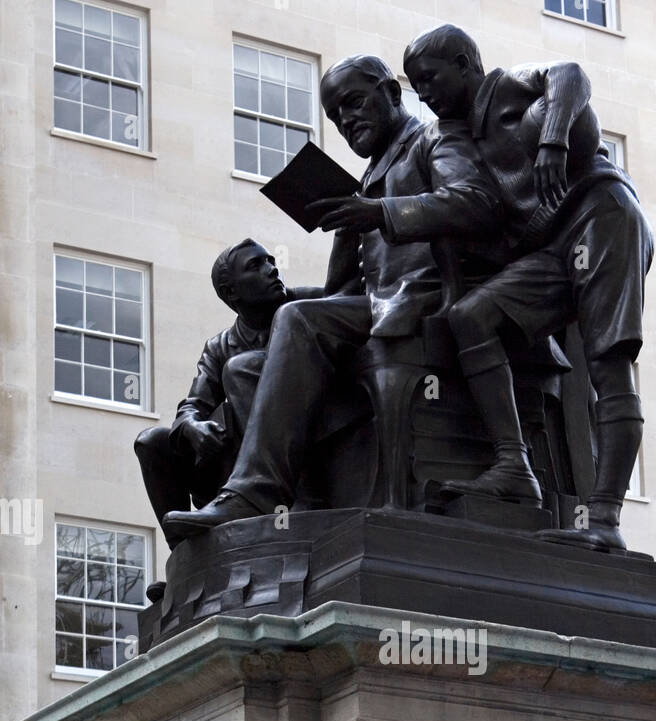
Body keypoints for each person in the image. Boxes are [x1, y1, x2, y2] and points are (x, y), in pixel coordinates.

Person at [163, 56, 503, 541]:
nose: (347, 120)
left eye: (354, 103)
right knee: (245, 368)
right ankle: (305, 503)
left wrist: (379, 212)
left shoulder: (435, 139)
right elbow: (344, 291)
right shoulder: (366, 180)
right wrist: (348, 230)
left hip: (432, 301)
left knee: (297, 318)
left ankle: (253, 493)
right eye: (336, 115)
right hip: (380, 305)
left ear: (390, 92)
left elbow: (478, 203)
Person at [403, 24, 654, 551]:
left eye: (428, 77)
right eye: (414, 84)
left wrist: (555, 140)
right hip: (555, 247)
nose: (423, 93)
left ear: (466, 65)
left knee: (610, 368)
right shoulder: (458, 138)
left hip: (602, 216)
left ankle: (604, 518)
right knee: (471, 316)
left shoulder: (505, 86)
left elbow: (570, 74)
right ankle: (514, 464)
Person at [135, 240, 293, 548]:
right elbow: (191, 407)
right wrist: (195, 428)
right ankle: (186, 558)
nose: (272, 269)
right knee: (151, 442)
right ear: (231, 292)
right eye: (256, 265)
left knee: (240, 368)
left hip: (297, 450)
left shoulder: (301, 309)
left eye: (271, 261)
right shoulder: (220, 346)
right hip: (231, 459)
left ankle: (260, 492)